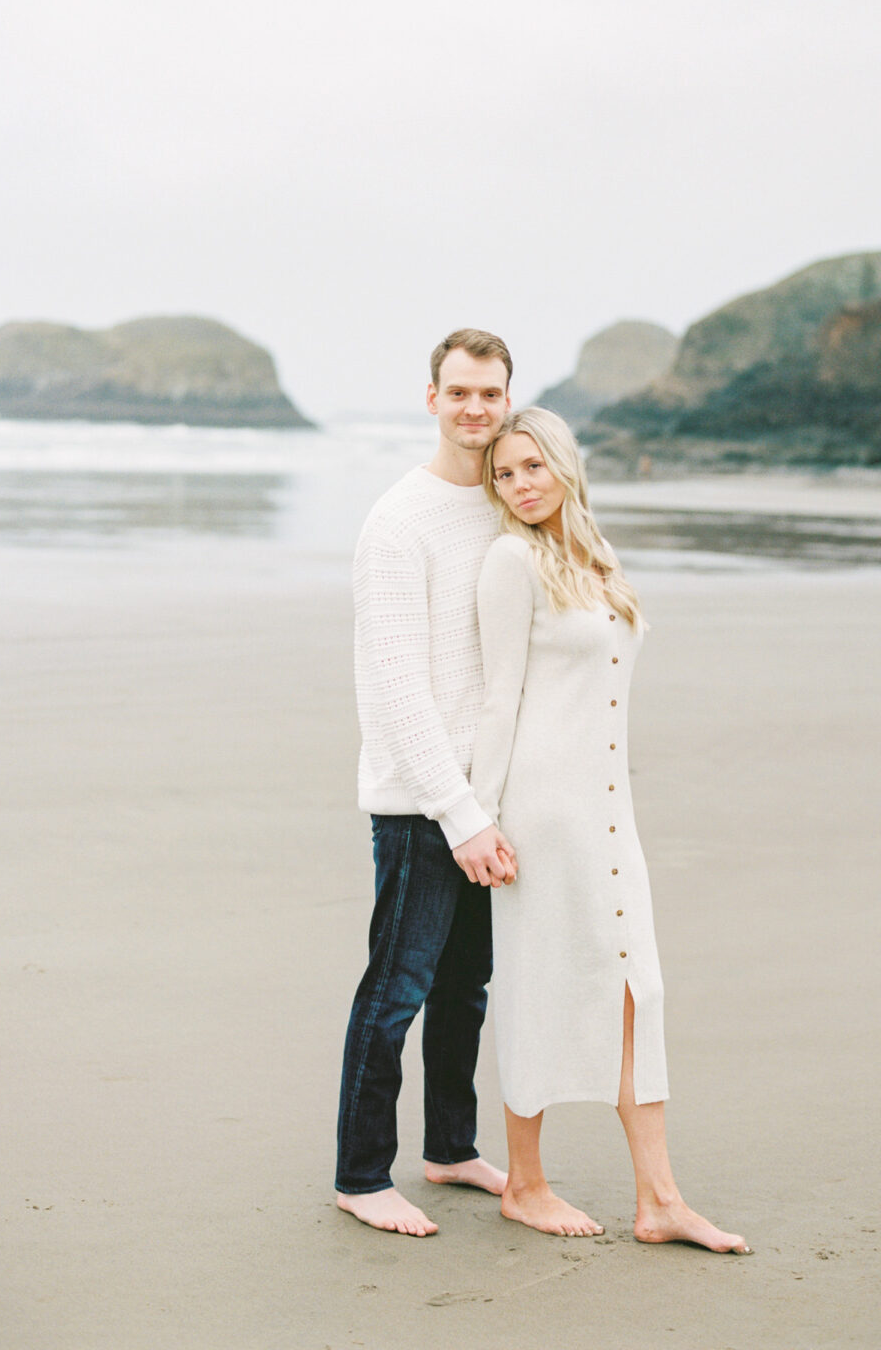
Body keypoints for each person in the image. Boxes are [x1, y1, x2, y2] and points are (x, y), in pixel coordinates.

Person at [470, 407, 751, 1252]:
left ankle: (659, 1200)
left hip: (607, 810)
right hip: (543, 815)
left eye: (531, 467)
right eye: (504, 474)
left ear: (564, 465)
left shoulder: (593, 556)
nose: (520, 485)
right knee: (539, 983)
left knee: (638, 992)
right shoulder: (510, 561)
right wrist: (477, 822)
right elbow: (499, 699)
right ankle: (524, 1182)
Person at [335, 330, 519, 1237]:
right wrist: (458, 814)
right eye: (460, 393)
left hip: (489, 800)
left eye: (491, 394)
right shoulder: (398, 521)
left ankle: (450, 1147)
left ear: (508, 399)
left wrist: (496, 803)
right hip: (421, 804)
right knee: (396, 990)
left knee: (466, 988)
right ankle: (362, 1176)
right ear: (433, 399)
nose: (476, 409)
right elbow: (400, 690)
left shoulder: (506, 504)